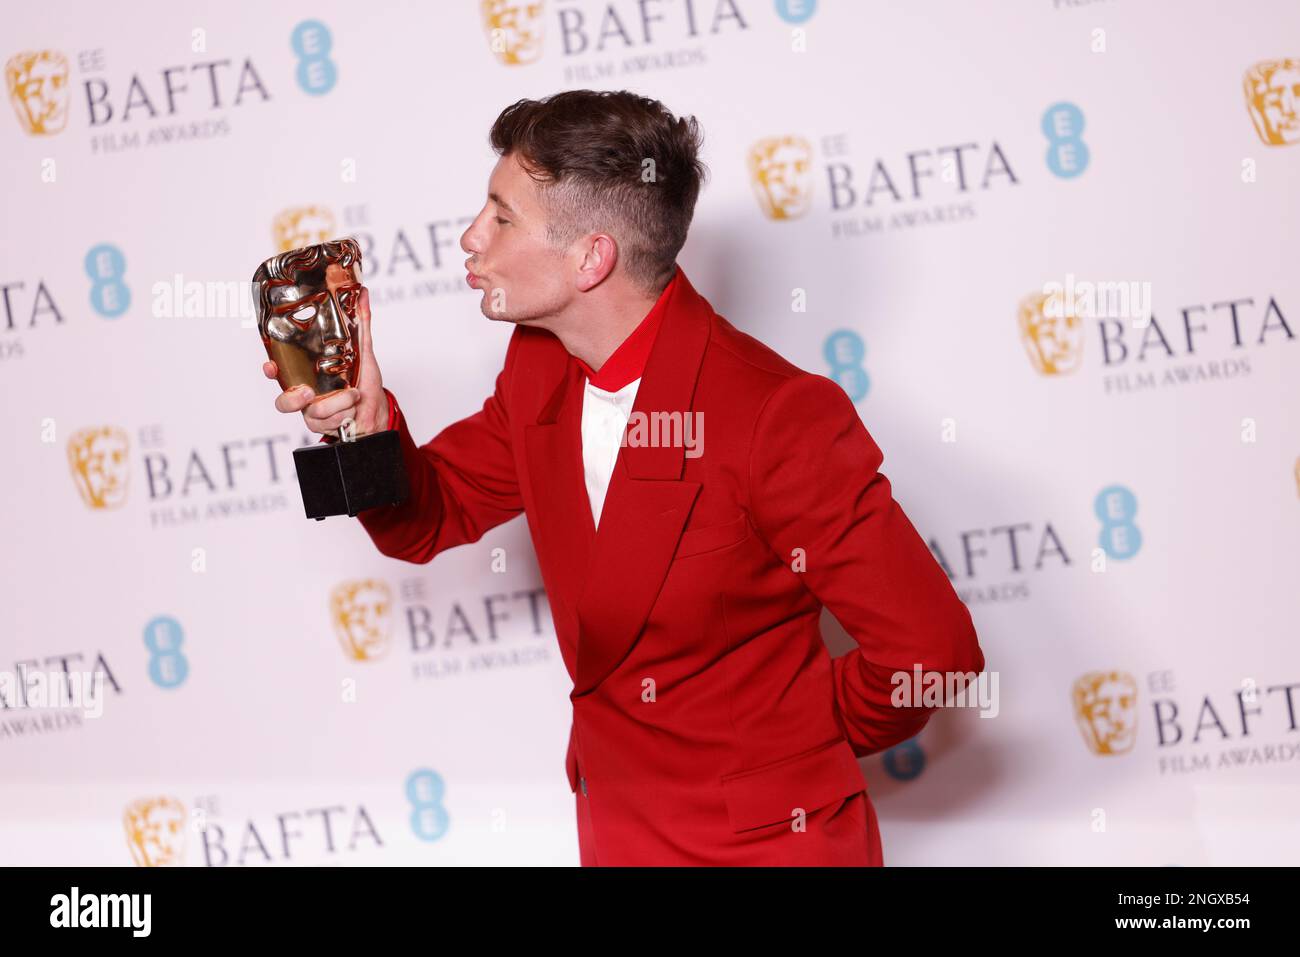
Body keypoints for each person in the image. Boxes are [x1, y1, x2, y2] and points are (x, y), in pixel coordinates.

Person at [263, 89, 985, 866]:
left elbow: (934, 657)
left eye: (502, 218)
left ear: (591, 258)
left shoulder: (778, 416)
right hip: (618, 840)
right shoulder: (539, 368)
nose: (471, 237)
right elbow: (427, 520)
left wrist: (788, 740)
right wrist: (357, 423)